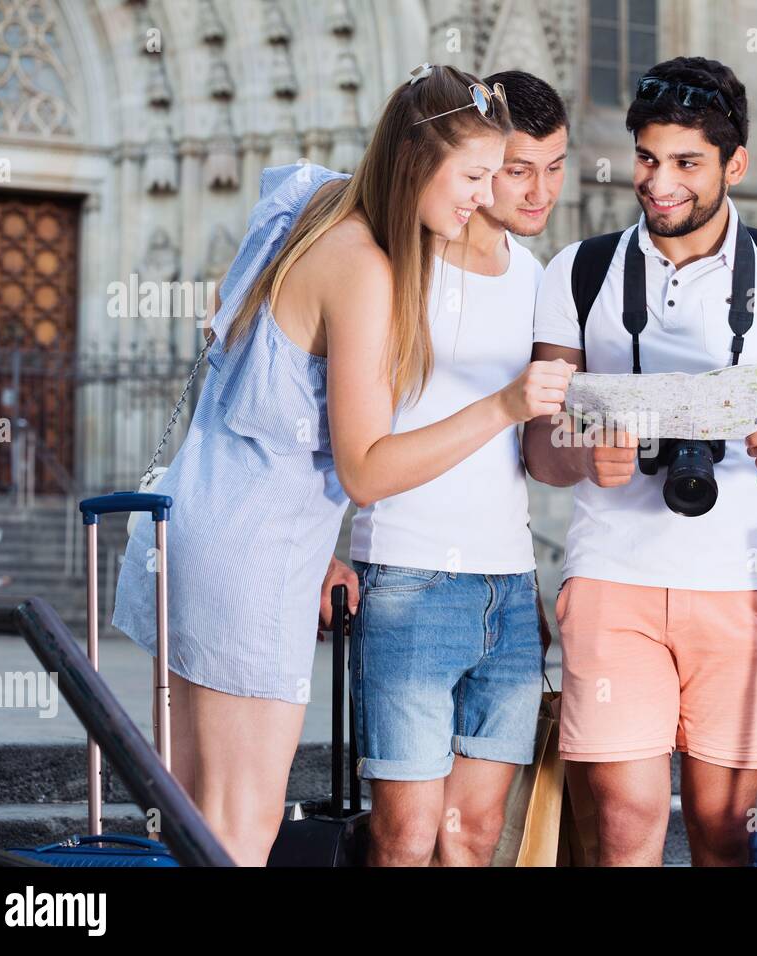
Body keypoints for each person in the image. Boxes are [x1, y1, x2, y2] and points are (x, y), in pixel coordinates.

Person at [112, 64, 572, 866]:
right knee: (239, 824)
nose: (480, 196)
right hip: (256, 549)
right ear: (415, 163)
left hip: (218, 523)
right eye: (472, 176)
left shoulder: (319, 205)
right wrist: (503, 405)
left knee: (195, 809)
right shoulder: (363, 263)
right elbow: (364, 469)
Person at [522, 56, 757, 866]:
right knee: (626, 823)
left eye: (685, 163)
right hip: (611, 577)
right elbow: (536, 445)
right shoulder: (581, 270)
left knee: (719, 831)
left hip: (741, 582)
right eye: (645, 157)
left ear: (735, 165)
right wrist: (582, 453)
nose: (659, 182)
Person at [319, 70, 571, 866]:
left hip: (505, 581)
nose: (539, 192)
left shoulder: (538, 280)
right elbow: (337, 434)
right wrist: (326, 545)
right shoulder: (391, 264)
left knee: (474, 835)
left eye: (555, 168)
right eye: (516, 169)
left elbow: (528, 452)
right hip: (408, 575)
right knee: (405, 837)